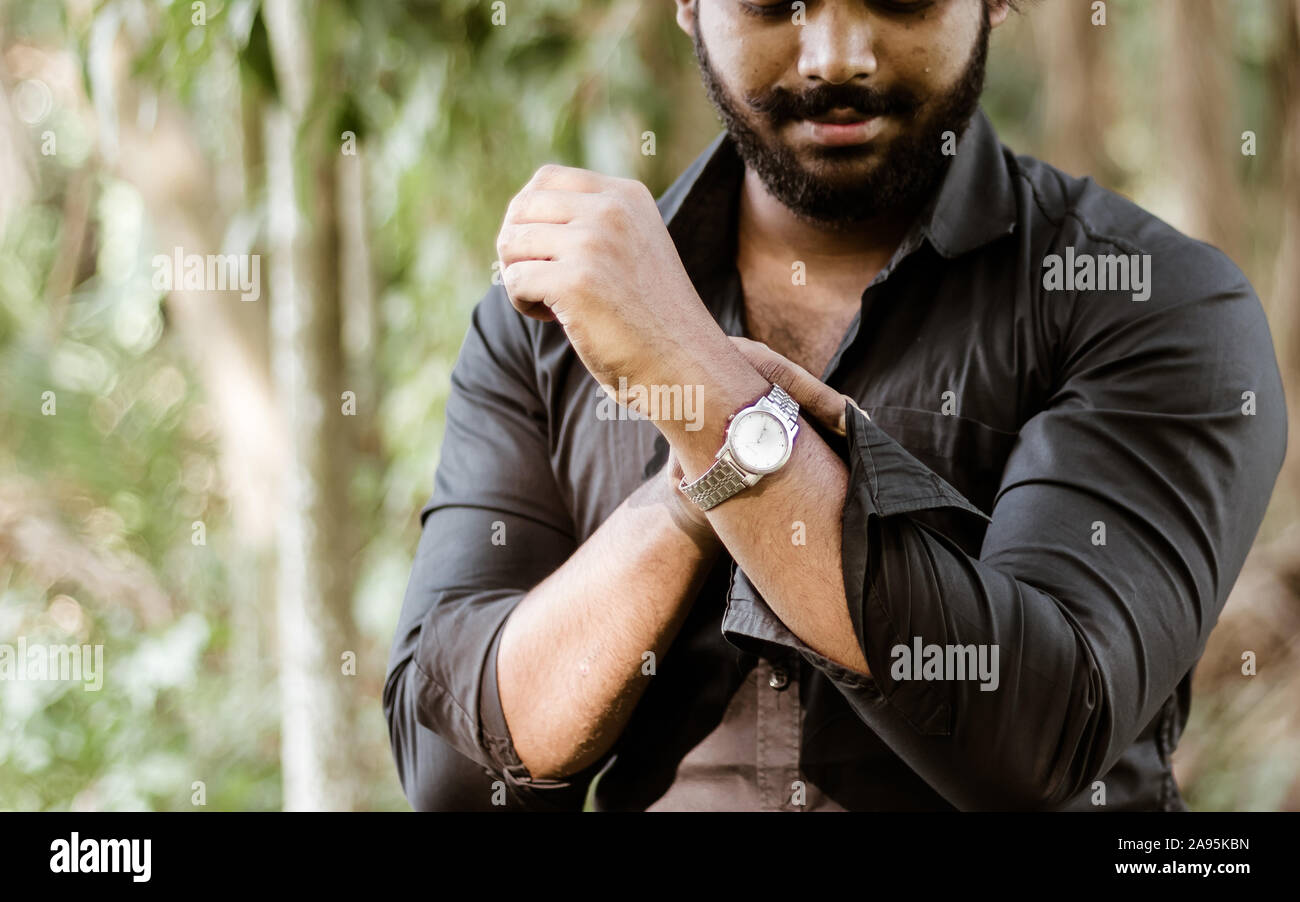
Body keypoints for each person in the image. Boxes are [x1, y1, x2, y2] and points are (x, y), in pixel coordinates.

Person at [383, 0, 1287, 810]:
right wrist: (709, 474)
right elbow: (456, 773)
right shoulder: (546, 319)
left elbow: (1046, 735)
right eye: (776, 0)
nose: (836, 56)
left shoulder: (1150, 300)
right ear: (689, 5)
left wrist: (702, 390)